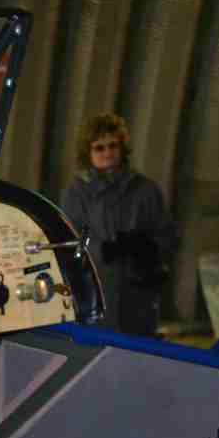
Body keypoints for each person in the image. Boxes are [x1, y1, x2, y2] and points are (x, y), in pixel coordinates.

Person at [59, 112, 179, 337]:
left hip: (138, 294)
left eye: (112, 145)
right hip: (97, 292)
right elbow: (69, 240)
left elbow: (168, 234)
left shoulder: (145, 190)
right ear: (88, 152)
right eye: (99, 147)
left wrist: (147, 248)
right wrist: (102, 250)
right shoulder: (77, 193)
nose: (107, 153)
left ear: (122, 148)